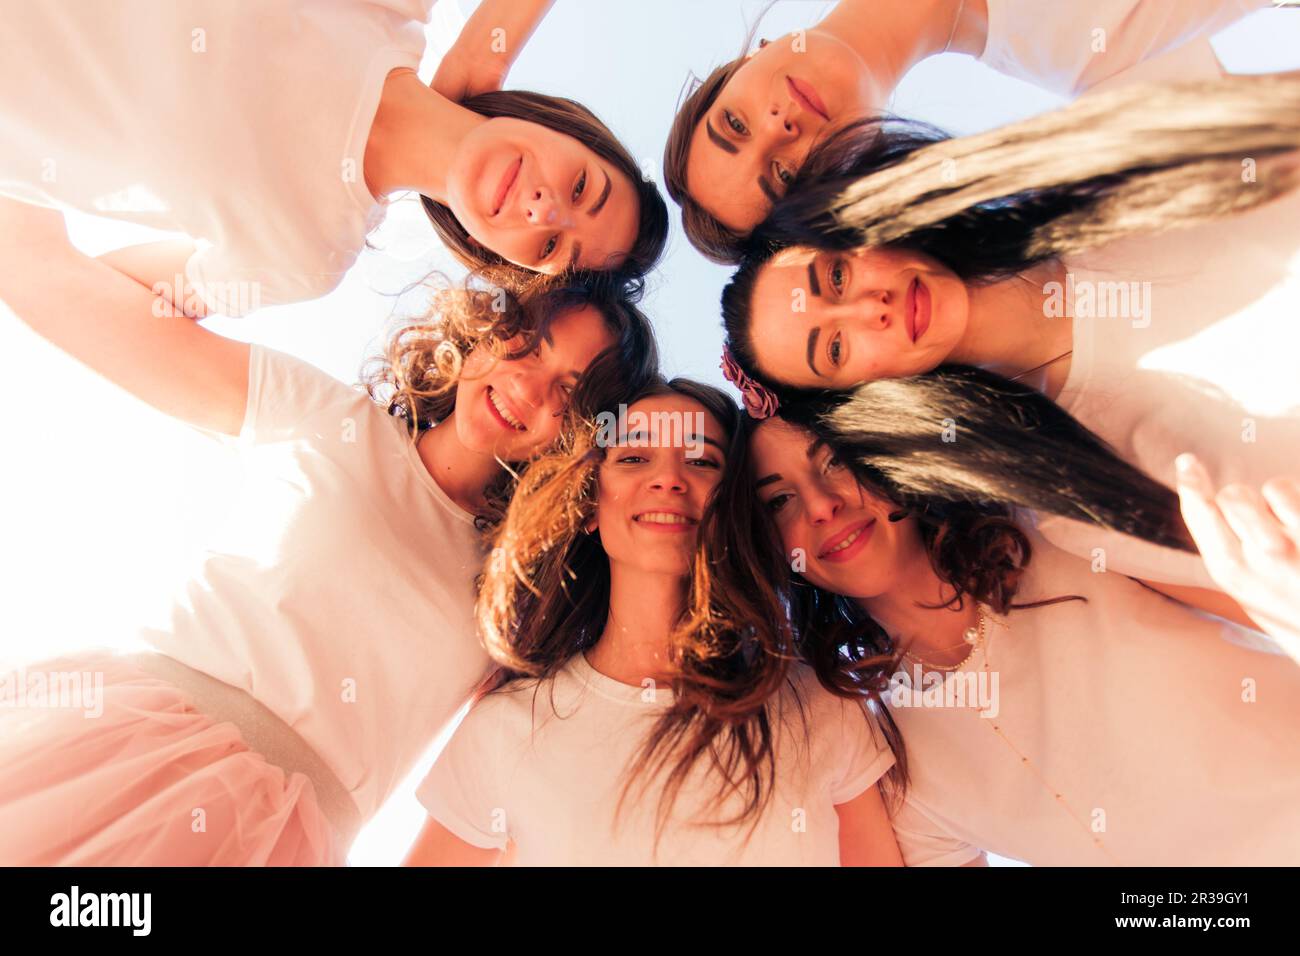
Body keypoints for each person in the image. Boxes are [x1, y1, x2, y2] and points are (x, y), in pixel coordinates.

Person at [0, 197, 659, 864]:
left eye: (570, 393)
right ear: (485, 329)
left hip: (285, 843)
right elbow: (61, 290)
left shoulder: (521, 595)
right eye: (528, 343)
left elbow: (503, 793)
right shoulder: (323, 416)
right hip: (124, 754)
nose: (528, 387)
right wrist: (275, 249)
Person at [718, 75, 1300, 633]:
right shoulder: (1079, 503)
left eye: (838, 276)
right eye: (837, 347)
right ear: (860, 392)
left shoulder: (1097, 167)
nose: (873, 309)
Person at [712, 401, 1300, 865]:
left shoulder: (1062, 539)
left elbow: (1273, 599)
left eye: (836, 462)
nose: (821, 506)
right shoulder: (895, 766)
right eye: (781, 501)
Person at [405, 378, 902, 865]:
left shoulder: (817, 702)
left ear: (732, 509)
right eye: (634, 458)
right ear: (591, 507)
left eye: (702, 461)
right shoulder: (506, 727)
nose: (668, 479)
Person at [0, 0, 667, 318]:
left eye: (552, 245)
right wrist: (476, 61)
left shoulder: (303, 253)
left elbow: (86, 294)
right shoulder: (385, 12)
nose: (546, 206)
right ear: (563, 128)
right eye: (582, 185)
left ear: (501, 259)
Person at [663, 0, 1276, 261]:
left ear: (745, 62)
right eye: (783, 173)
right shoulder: (1094, 56)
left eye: (734, 124)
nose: (778, 127)